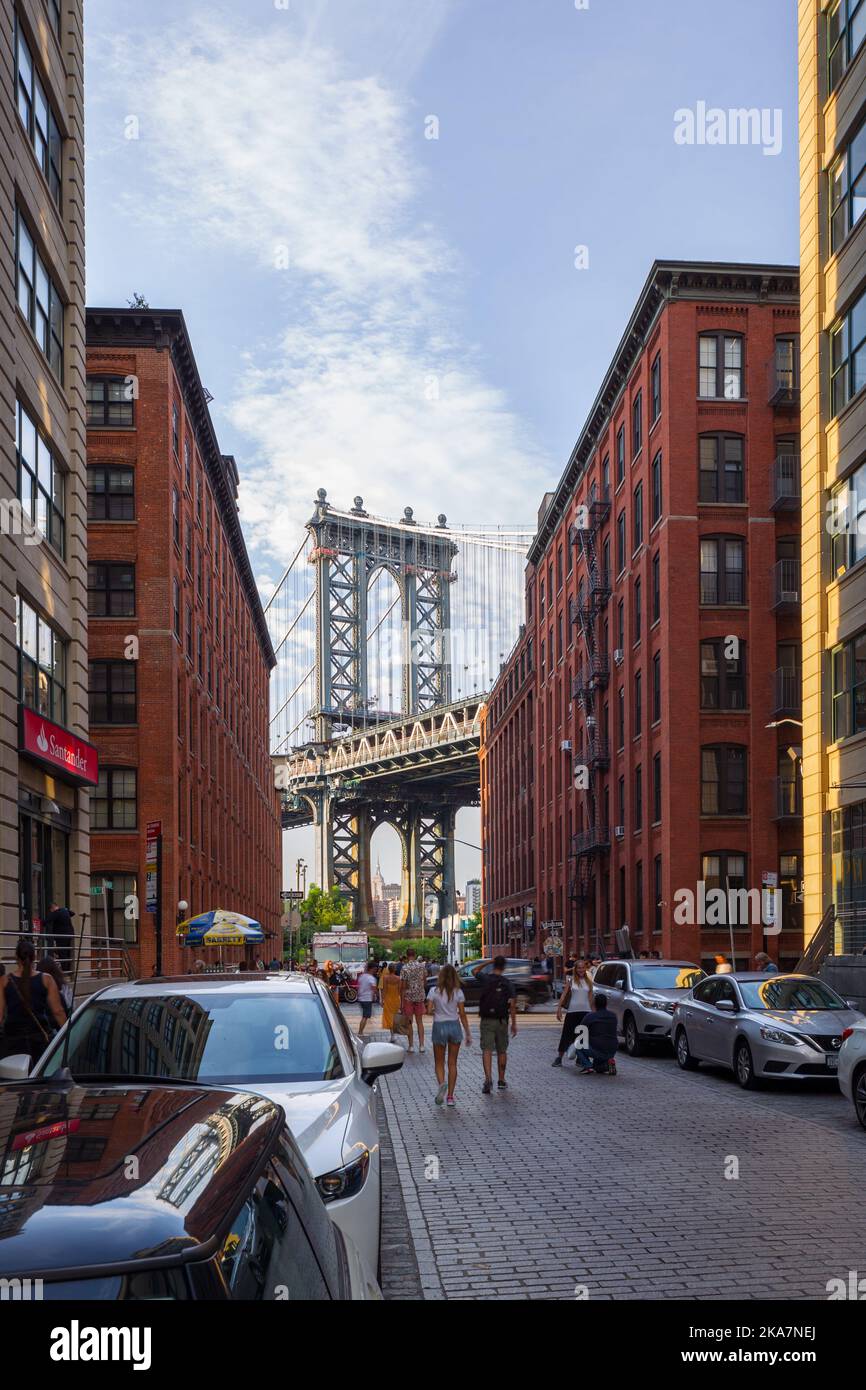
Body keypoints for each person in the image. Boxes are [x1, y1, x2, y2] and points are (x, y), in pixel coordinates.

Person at [0, 938, 66, 1062]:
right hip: (39, 1039)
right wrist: (67, 1035)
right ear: (34, 957)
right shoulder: (46, 979)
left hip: (13, 1040)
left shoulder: (4, 981)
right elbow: (58, 1011)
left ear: (16, 958)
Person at [426, 963, 471, 1106]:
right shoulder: (458, 992)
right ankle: (450, 1097)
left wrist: (437, 1012)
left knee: (439, 1062)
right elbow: (462, 1014)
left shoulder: (434, 991)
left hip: (439, 1026)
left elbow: (428, 1010)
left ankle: (441, 1084)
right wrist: (468, 1033)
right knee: (452, 1063)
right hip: (454, 1025)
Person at [478, 956, 517, 1094]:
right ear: (504, 967)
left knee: (487, 1050)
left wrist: (489, 961)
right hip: (502, 1020)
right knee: (502, 1050)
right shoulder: (507, 983)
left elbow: (474, 971)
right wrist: (513, 1023)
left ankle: (488, 1079)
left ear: (494, 965)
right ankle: (501, 1079)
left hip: (487, 1020)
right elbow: (512, 1005)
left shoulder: (486, 979)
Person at [552, 958, 593, 1067]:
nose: (581, 970)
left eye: (583, 968)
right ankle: (559, 1058)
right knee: (566, 1035)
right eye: (579, 968)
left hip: (586, 1013)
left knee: (583, 1036)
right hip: (572, 1012)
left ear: (585, 968)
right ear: (575, 969)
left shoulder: (589, 982)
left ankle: (581, 1058)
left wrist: (593, 1013)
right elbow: (564, 995)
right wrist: (559, 1009)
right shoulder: (571, 981)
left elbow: (590, 998)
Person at [573, 992, 619, 1076]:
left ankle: (587, 1066)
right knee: (597, 1068)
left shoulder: (590, 1016)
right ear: (606, 1004)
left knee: (578, 1045)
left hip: (597, 1049)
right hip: (612, 1050)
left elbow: (580, 1031)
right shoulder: (613, 1016)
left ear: (595, 1004)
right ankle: (608, 1063)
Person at [399, 948, 429, 1054]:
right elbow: (425, 982)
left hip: (408, 997)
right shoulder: (422, 966)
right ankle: (421, 1045)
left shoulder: (405, 968)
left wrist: (401, 1001)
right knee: (420, 1021)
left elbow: (402, 986)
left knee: (409, 1022)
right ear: (415, 955)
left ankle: (411, 1046)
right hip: (419, 996)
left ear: (407, 956)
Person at [44, 902, 75, 972]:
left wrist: (39, 921)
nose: (51, 912)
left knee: (62, 952)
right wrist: (65, 910)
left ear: (52, 908)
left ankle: (65, 970)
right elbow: (73, 913)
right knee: (68, 952)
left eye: (50, 910)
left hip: (61, 936)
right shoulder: (64, 910)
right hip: (70, 934)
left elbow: (47, 921)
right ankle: (69, 970)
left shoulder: (56, 913)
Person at [356, 960, 379, 1037]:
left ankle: (361, 1031)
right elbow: (374, 989)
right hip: (367, 999)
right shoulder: (371, 978)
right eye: (375, 969)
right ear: (371, 969)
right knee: (365, 1017)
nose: (376, 970)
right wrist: (375, 996)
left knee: (365, 1016)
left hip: (361, 998)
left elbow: (359, 986)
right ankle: (360, 1032)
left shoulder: (362, 976)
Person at [380, 963, 402, 1038]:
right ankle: (394, 1033)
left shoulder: (385, 978)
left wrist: (382, 1000)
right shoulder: (398, 978)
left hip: (388, 999)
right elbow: (399, 991)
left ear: (389, 969)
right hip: (396, 998)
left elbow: (384, 990)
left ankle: (392, 1034)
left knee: (389, 1016)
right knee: (395, 1016)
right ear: (395, 969)